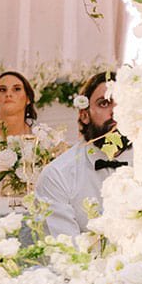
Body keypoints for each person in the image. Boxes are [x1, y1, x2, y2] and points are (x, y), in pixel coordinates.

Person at [35, 73, 129, 238]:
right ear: (84, 115)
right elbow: (66, 252)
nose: (115, 111)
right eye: (104, 103)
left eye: (122, 102)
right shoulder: (57, 175)